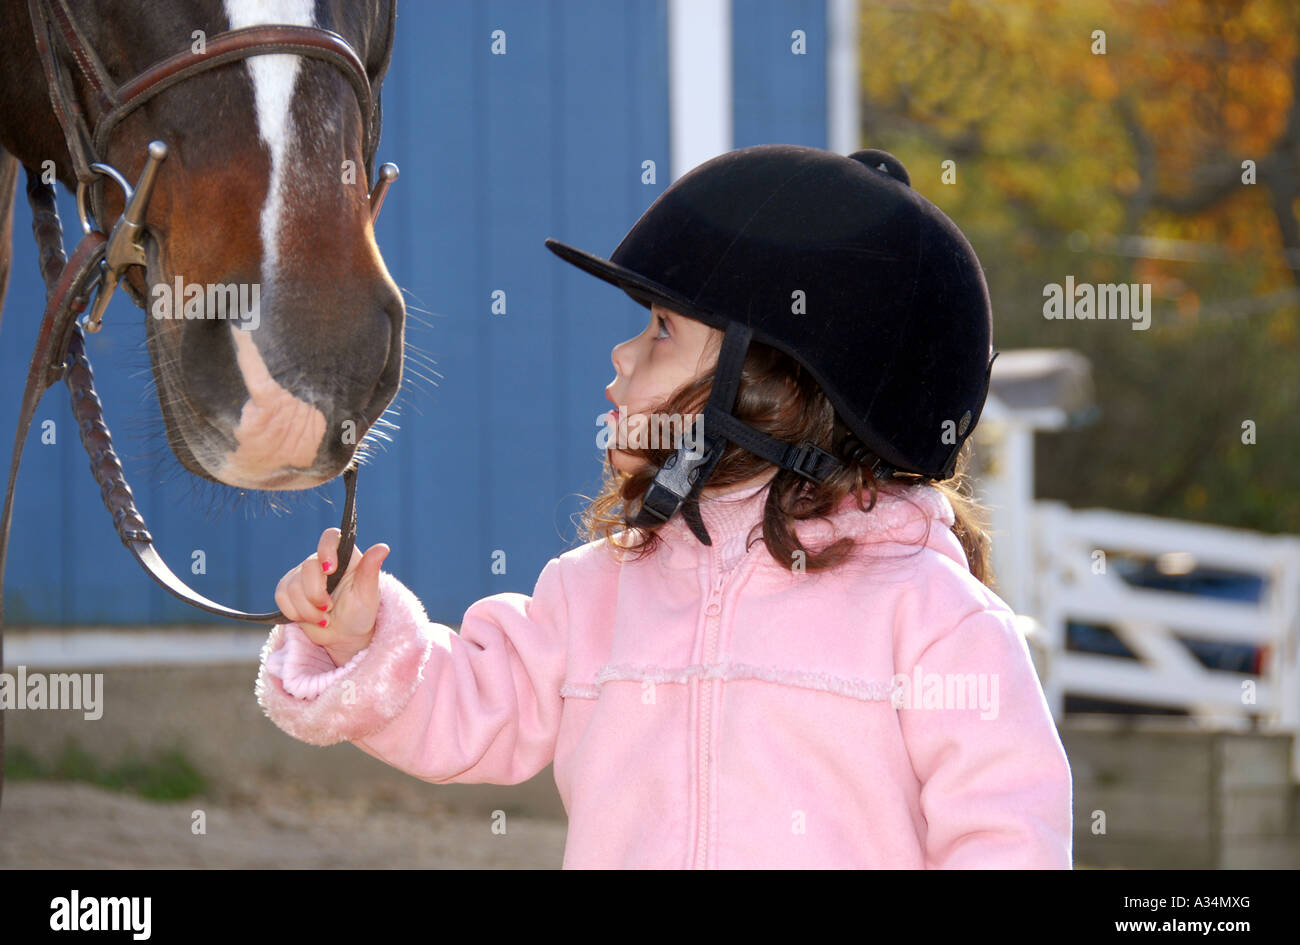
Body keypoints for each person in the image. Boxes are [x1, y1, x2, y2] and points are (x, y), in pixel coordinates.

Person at [255, 144, 1073, 869]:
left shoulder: (936, 622)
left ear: (771, 388)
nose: (620, 352)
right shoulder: (596, 593)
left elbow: (1007, 838)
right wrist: (362, 642)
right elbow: (471, 712)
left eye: (659, 331)